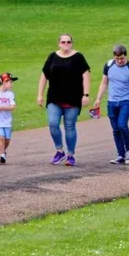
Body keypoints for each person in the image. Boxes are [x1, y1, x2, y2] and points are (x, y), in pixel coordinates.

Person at [38, 34, 91, 167]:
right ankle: (59, 150)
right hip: (55, 97)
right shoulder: (52, 57)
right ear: (59, 43)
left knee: (69, 126)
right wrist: (40, 94)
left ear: (72, 43)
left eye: (68, 42)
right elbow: (44, 76)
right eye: (63, 42)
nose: (66, 44)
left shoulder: (78, 57)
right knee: (53, 123)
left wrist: (86, 94)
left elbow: (86, 75)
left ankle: (71, 154)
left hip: (73, 98)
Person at [93, 44, 129, 166]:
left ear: (125, 56)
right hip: (112, 101)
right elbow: (104, 82)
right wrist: (98, 98)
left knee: (122, 125)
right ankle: (120, 154)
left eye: (122, 58)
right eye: (117, 59)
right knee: (115, 129)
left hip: (126, 101)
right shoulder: (109, 65)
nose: (120, 61)